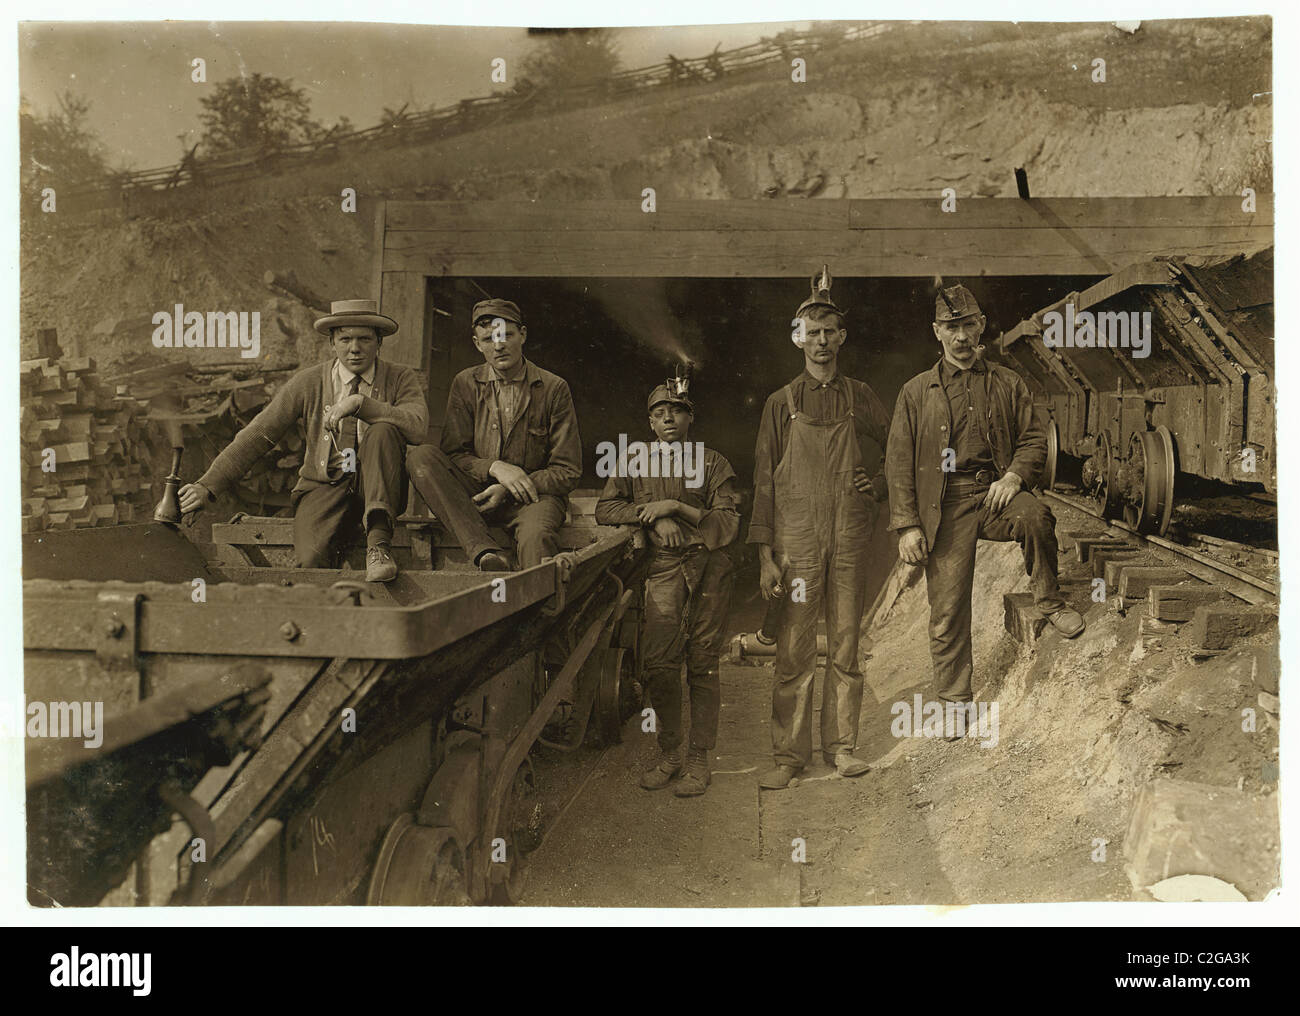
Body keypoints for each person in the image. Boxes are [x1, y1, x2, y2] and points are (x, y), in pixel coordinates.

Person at [885, 283, 1084, 734]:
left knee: (1035, 515)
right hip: (943, 505)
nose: (961, 337)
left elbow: (1034, 439)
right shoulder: (916, 393)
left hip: (993, 492)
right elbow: (897, 462)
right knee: (948, 607)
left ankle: (1050, 601)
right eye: (951, 327)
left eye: (968, 325)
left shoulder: (1008, 383)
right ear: (937, 332)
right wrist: (907, 526)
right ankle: (955, 702)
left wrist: (1013, 477)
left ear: (981, 326)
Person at [750, 268, 891, 790]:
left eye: (831, 330)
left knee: (848, 641)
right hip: (798, 544)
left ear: (843, 337)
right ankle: (789, 756)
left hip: (849, 538)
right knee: (793, 647)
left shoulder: (860, 395)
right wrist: (765, 555)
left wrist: (876, 486)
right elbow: (764, 482)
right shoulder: (780, 403)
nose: (823, 340)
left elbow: (899, 449)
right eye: (813, 332)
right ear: (797, 339)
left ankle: (843, 747)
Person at [178, 299, 426, 583]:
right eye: (345, 339)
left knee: (383, 430)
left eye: (364, 339)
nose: (354, 348)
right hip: (324, 486)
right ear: (332, 342)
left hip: (378, 485)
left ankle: (379, 547)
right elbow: (259, 434)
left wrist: (362, 404)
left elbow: (417, 427)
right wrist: (207, 486)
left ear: (379, 342)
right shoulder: (309, 382)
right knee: (310, 563)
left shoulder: (400, 378)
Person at [595, 382, 740, 797]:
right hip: (662, 569)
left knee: (703, 663)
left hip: (709, 568)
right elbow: (606, 508)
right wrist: (652, 518)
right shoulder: (635, 460)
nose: (669, 419)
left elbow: (727, 524)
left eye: (677, 411)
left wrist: (675, 507)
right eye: (660, 413)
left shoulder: (712, 462)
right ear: (650, 422)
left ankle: (699, 757)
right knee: (659, 663)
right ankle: (671, 752)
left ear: (690, 417)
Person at [406, 298, 581, 570]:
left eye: (506, 335)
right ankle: (486, 553)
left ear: (522, 335)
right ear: (477, 344)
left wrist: (508, 487)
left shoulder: (553, 388)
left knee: (537, 537)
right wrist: (495, 468)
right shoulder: (466, 383)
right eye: (488, 339)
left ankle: (538, 611)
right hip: (477, 494)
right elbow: (454, 455)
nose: (498, 346)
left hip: (533, 497)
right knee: (421, 457)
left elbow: (567, 471)